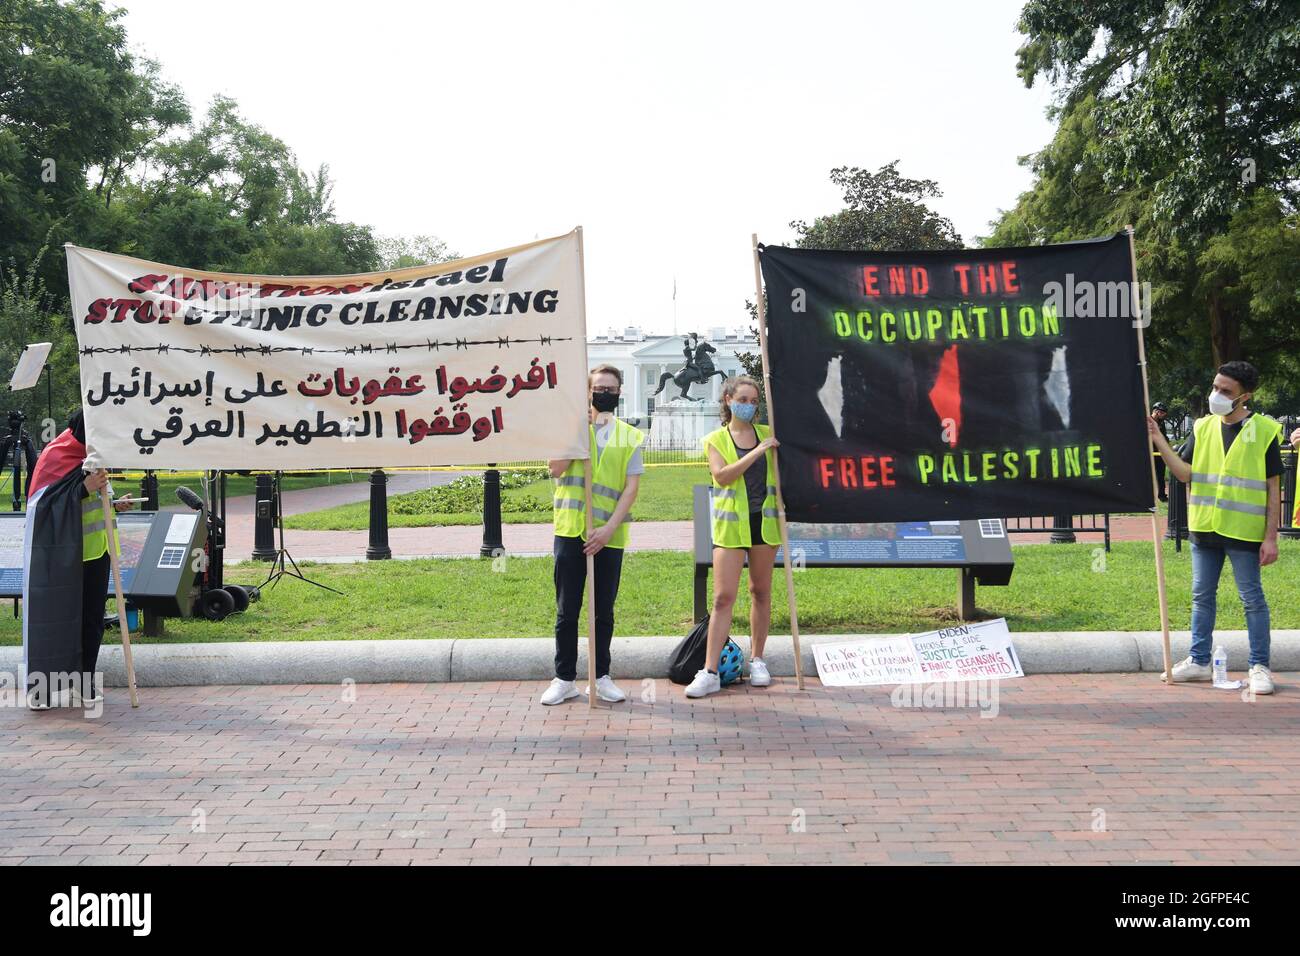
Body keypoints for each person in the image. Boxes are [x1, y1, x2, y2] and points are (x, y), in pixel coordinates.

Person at [1147, 361, 1282, 694]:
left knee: (1252, 599)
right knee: (1201, 597)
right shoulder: (1203, 427)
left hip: (1243, 531)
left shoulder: (1264, 430)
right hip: (1205, 528)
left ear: (1244, 396)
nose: (1216, 395)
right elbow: (1184, 473)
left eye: (1226, 391)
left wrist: (1271, 538)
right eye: (1216, 386)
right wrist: (1158, 440)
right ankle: (1199, 661)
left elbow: (1272, 489)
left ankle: (1260, 667)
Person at [541, 365, 644, 705]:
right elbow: (554, 469)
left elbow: (631, 488)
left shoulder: (629, 436)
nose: (605, 393)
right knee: (567, 610)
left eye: (611, 389)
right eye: (599, 387)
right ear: (587, 392)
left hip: (609, 536)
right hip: (571, 530)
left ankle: (600, 677)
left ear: (619, 394)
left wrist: (609, 528)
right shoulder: (569, 429)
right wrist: (576, 431)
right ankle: (564, 678)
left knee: (603, 611)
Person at [21, 409, 133, 709]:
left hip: (98, 551)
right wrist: (83, 488)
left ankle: (85, 682)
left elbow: (98, 499)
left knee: (92, 620)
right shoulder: (57, 453)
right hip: (63, 556)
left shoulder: (95, 456)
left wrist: (115, 503)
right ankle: (42, 690)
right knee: (54, 618)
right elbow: (41, 505)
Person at [685, 375, 780, 699]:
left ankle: (757, 660)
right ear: (727, 399)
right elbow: (722, 476)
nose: (749, 405)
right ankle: (710, 670)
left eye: (754, 401)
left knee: (760, 591)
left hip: (763, 525)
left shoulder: (769, 434)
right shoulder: (716, 439)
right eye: (743, 399)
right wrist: (757, 452)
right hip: (730, 528)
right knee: (723, 597)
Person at [1150, 402, 1170, 501]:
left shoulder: (1161, 423)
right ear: (1157, 412)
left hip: (1160, 454)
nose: (1164, 415)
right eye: (1162, 413)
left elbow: (1164, 437)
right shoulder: (1148, 422)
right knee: (1149, 475)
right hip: (1149, 453)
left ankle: (1162, 495)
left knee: (1160, 475)